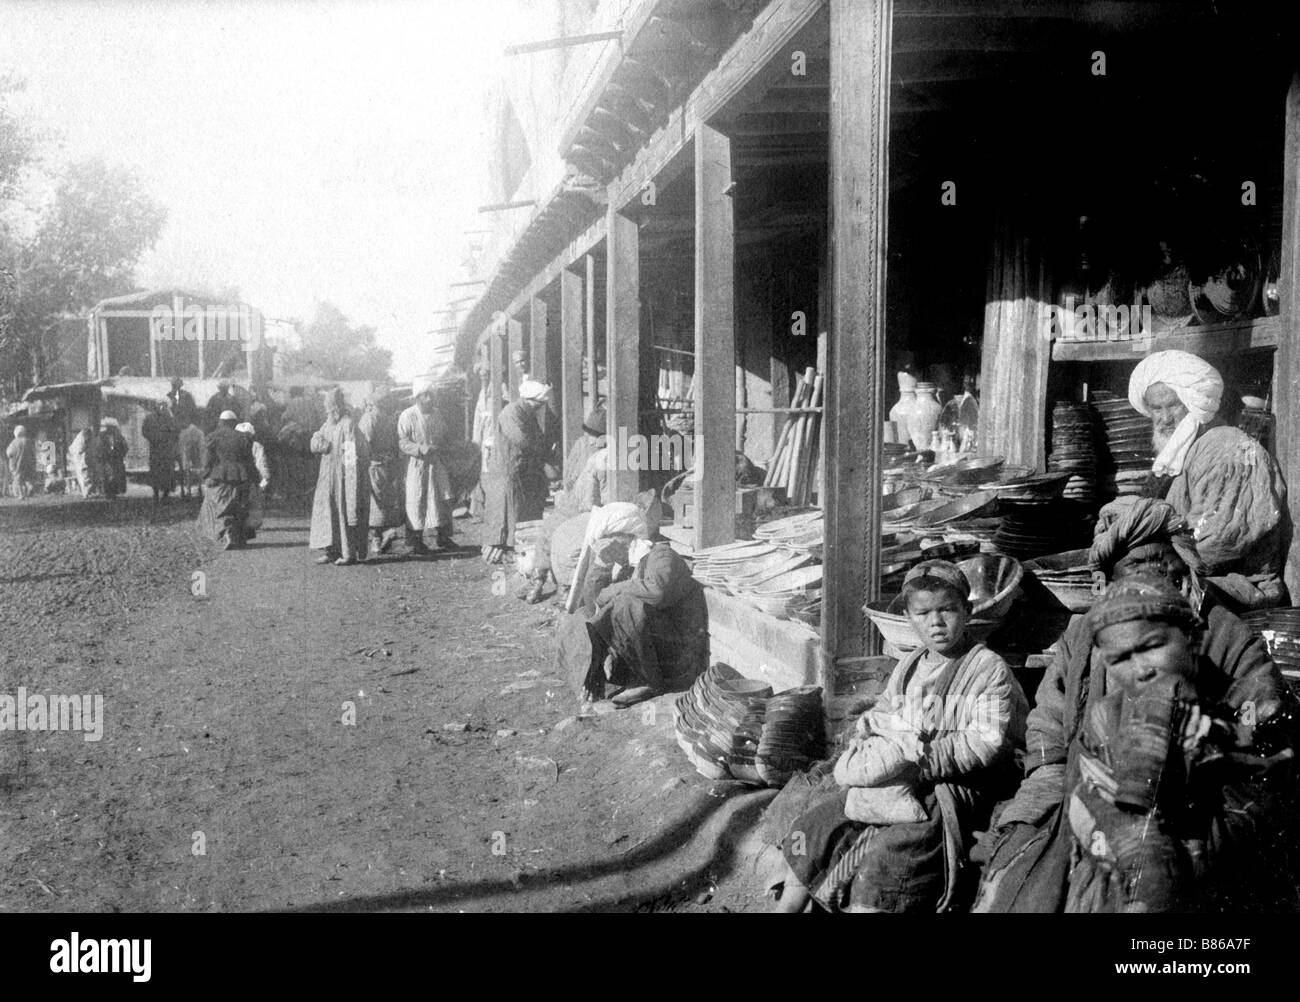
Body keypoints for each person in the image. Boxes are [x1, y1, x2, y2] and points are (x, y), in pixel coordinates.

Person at [973, 499, 1295, 912]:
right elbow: (1050, 719)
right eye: (1136, 568)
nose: (1153, 576)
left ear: (1182, 571)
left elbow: (1264, 741)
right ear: (1109, 584)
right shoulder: (1085, 635)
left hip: (1201, 809)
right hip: (1084, 793)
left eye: (1163, 565)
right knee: (1018, 874)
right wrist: (1047, 782)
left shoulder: (1224, 635)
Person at [770, 560, 1027, 913]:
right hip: (898, 774)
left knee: (890, 855)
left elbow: (985, 743)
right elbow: (884, 711)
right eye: (923, 613)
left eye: (947, 609)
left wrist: (920, 759)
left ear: (967, 611)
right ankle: (787, 907)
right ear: (908, 618)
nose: (936, 622)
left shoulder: (986, 668)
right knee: (816, 825)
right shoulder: (910, 665)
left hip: (955, 784)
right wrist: (871, 735)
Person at [1128, 349, 1289, 610]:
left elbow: (1215, 542)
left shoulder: (1227, 448)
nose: (1165, 418)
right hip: (1186, 576)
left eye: (1174, 405)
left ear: (1195, 402)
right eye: (1156, 408)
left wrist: (1148, 557)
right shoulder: (1178, 456)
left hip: (1236, 587)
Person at [577, 502, 708, 709]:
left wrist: (613, 590)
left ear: (623, 537)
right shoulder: (626, 565)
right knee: (581, 615)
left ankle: (646, 681)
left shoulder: (660, 554)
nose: (601, 547)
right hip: (653, 648)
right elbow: (593, 604)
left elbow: (657, 592)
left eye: (606, 540)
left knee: (625, 603)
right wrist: (601, 565)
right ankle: (594, 677)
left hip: (680, 653)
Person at [481, 378, 552, 563]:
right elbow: (521, 439)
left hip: (520, 467)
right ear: (529, 399)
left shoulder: (528, 412)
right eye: (539, 403)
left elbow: (536, 437)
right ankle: (502, 549)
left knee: (518, 509)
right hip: (507, 468)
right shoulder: (511, 413)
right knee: (507, 510)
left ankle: (513, 545)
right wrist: (541, 452)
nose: (541, 407)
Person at [309, 388, 370, 566]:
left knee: (345, 512)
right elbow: (314, 442)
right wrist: (322, 445)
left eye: (330, 409)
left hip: (343, 477)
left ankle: (348, 552)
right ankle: (331, 550)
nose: (328, 413)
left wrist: (350, 477)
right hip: (326, 477)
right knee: (328, 512)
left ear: (336, 408)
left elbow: (352, 454)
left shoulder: (348, 424)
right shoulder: (327, 424)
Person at [397, 379, 455, 555]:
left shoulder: (437, 414)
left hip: (436, 463)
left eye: (431, 395)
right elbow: (402, 442)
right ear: (417, 397)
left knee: (441, 498)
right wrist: (420, 448)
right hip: (417, 465)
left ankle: (443, 537)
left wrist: (441, 446)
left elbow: (444, 435)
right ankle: (415, 541)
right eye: (425, 395)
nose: (429, 399)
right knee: (417, 500)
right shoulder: (408, 415)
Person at [357, 389, 403, 557]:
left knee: (375, 502)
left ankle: (377, 537)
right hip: (389, 464)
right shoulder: (390, 419)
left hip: (373, 464)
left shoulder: (369, 418)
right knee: (385, 500)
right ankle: (384, 533)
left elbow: (364, 442)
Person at [198, 410, 253, 549]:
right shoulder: (244, 438)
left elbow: (208, 459)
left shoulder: (212, 437)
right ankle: (238, 537)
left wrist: (205, 474)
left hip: (220, 476)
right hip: (241, 476)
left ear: (220, 422)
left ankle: (227, 534)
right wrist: (255, 478)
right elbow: (249, 460)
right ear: (234, 423)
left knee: (221, 506)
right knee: (239, 507)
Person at [235, 422, 270, 534]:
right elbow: (261, 463)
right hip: (251, 477)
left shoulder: (232, 444)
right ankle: (252, 523)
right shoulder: (256, 446)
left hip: (236, 478)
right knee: (253, 501)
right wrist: (265, 477)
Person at [141, 399, 179, 502]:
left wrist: (167, 440)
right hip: (159, 449)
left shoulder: (169, 418)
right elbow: (144, 431)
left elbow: (175, 432)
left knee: (163, 471)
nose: (162, 407)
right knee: (158, 471)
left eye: (163, 405)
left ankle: (163, 493)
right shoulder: (152, 418)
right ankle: (158, 493)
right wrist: (154, 438)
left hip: (164, 449)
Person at [98, 419, 129, 499]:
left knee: (117, 476)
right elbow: (100, 447)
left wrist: (121, 454)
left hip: (117, 459)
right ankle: (108, 492)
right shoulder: (102, 436)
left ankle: (116, 491)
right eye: (108, 427)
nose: (110, 429)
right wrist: (103, 455)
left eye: (112, 427)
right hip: (107, 459)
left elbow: (125, 447)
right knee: (108, 475)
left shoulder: (119, 436)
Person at [67, 424, 99, 497]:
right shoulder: (85, 435)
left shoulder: (81, 437)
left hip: (80, 459)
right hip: (81, 459)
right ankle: (87, 493)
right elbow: (83, 449)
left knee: (86, 475)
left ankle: (89, 492)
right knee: (85, 476)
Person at [6, 425, 38, 498]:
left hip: (17, 465)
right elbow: (33, 452)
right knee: (28, 478)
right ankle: (30, 487)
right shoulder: (28, 441)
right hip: (28, 464)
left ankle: (21, 495)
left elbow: (9, 453)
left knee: (19, 481)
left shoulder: (14, 442)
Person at [178, 419, 205, 499]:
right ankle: (199, 488)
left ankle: (188, 490)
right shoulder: (200, 433)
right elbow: (202, 445)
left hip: (187, 452)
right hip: (197, 453)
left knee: (187, 471)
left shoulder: (183, 433)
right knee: (198, 470)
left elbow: (181, 444)